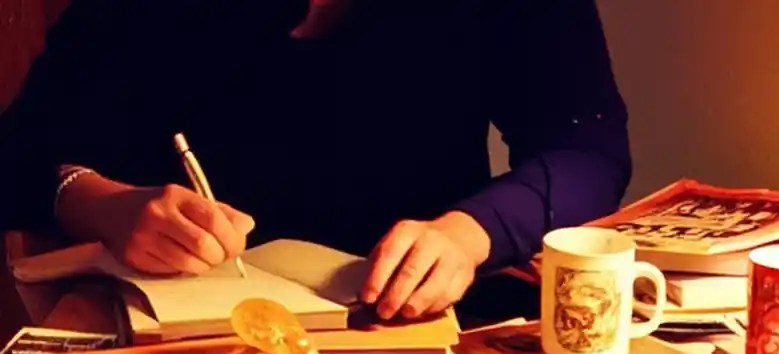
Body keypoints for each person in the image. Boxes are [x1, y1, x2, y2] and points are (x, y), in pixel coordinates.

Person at [0, 0, 631, 320]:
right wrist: (101, 204)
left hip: (415, 328)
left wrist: (470, 235)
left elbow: (587, 147)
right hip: (187, 338)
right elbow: (18, 154)